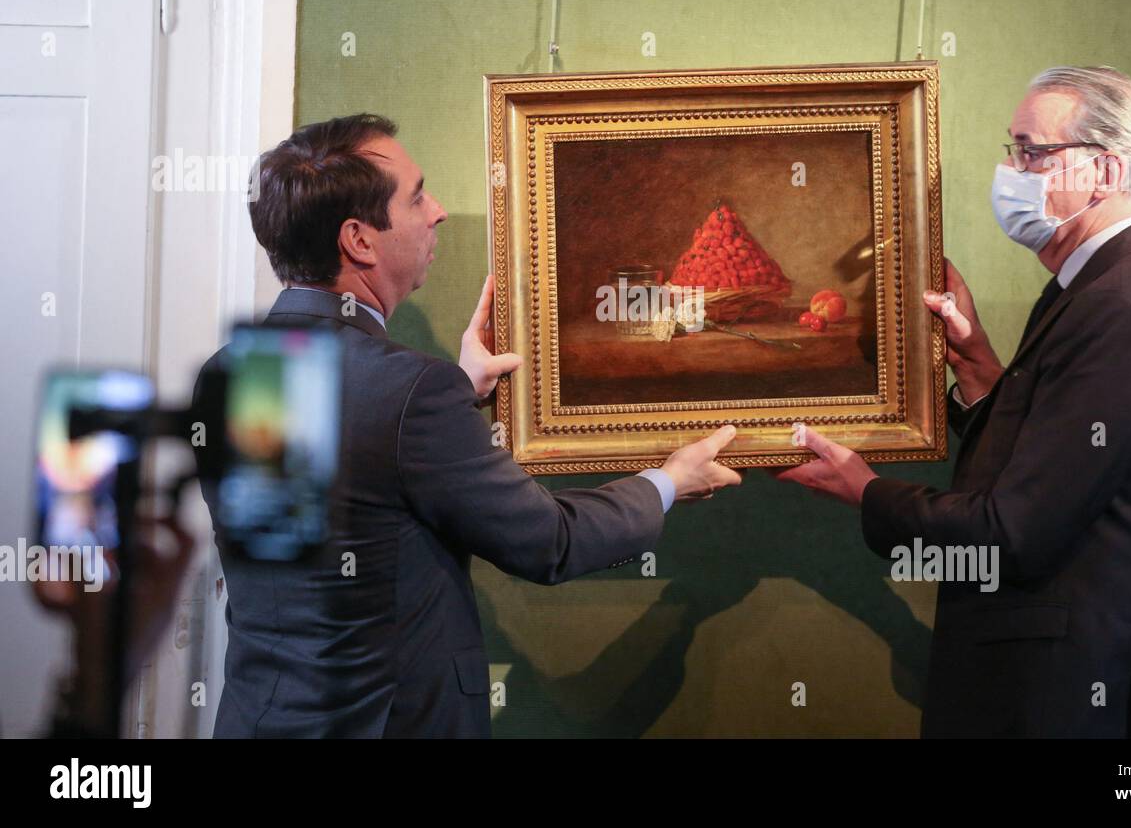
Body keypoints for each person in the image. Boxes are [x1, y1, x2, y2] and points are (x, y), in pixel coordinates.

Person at [197, 114, 740, 738]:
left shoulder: (230, 371)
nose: (439, 212)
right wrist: (669, 481)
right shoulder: (409, 392)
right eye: (418, 195)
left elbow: (348, 494)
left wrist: (453, 391)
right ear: (359, 240)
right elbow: (549, 544)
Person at [776, 67, 1131, 738]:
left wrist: (865, 490)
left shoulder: (1123, 305)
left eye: (1031, 151)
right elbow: (1059, 460)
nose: (1010, 170)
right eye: (1011, 148)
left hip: (1072, 697)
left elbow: (1012, 535)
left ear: (1104, 170)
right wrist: (981, 368)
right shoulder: (1111, 283)